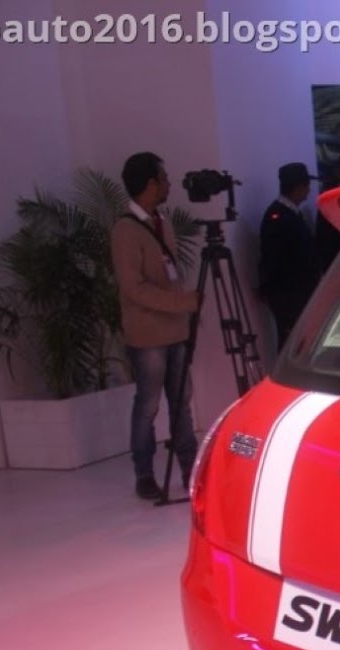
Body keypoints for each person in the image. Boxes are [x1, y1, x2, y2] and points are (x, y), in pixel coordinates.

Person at [110, 151, 200, 501]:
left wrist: (184, 309)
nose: (169, 184)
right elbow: (134, 289)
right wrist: (184, 302)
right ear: (149, 183)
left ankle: (189, 468)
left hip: (176, 330)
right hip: (148, 336)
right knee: (148, 405)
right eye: (163, 178)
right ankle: (144, 473)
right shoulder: (125, 230)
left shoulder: (163, 221)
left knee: (182, 402)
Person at [258, 161, 321, 360]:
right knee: (289, 342)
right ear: (299, 186)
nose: (308, 190)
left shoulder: (291, 214)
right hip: (289, 295)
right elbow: (274, 257)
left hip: (298, 293)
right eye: (306, 186)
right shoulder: (278, 216)